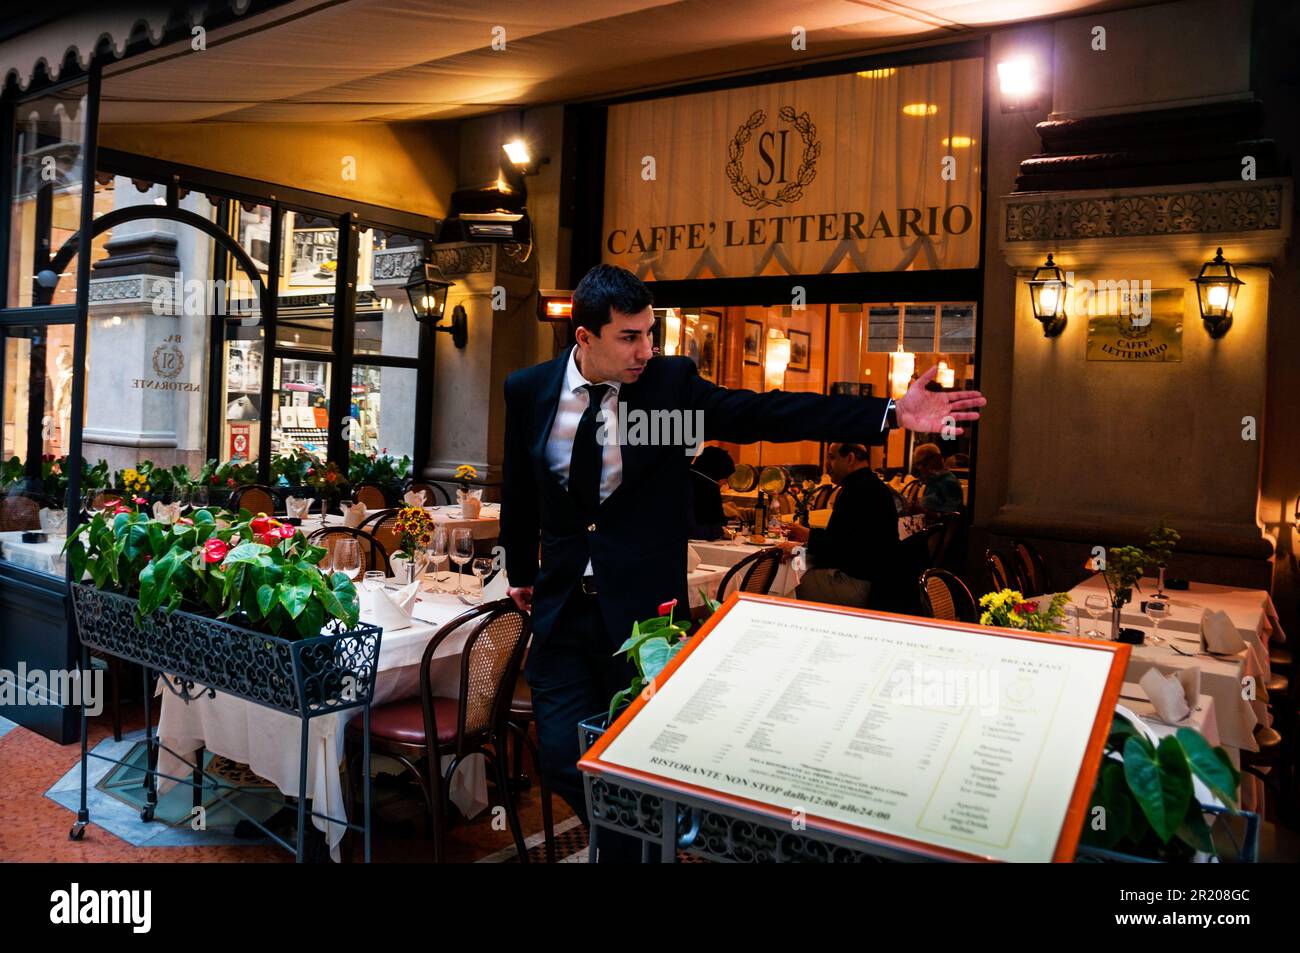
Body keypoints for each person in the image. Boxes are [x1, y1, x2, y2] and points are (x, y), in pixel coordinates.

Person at [500, 265, 985, 862]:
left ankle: (627, 850)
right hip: (563, 611)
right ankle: (638, 838)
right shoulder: (529, 389)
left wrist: (888, 414)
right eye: (629, 337)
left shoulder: (669, 385)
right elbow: (520, 487)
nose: (646, 350)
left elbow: (765, 412)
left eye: (650, 334)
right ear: (585, 337)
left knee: (628, 758)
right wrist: (519, 570)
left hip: (643, 617)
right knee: (559, 758)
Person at [786, 443, 914, 612]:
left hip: (860, 585)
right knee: (796, 568)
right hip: (883, 582)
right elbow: (847, 538)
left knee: (789, 580)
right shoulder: (872, 485)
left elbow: (839, 550)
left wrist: (800, 547)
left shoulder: (856, 490)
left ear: (850, 458)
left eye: (832, 458)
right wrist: (809, 535)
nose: (827, 465)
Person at [686, 446, 735, 541]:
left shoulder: (696, 483)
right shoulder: (691, 488)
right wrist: (719, 531)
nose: (726, 482)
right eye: (726, 477)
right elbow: (690, 530)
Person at [911, 442, 965, 515]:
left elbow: (951, 516)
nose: (920, 468)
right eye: (917, 465)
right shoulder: (934, 480)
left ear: (936, 459)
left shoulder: (948, 483)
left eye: (921, 463)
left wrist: (922, 511)